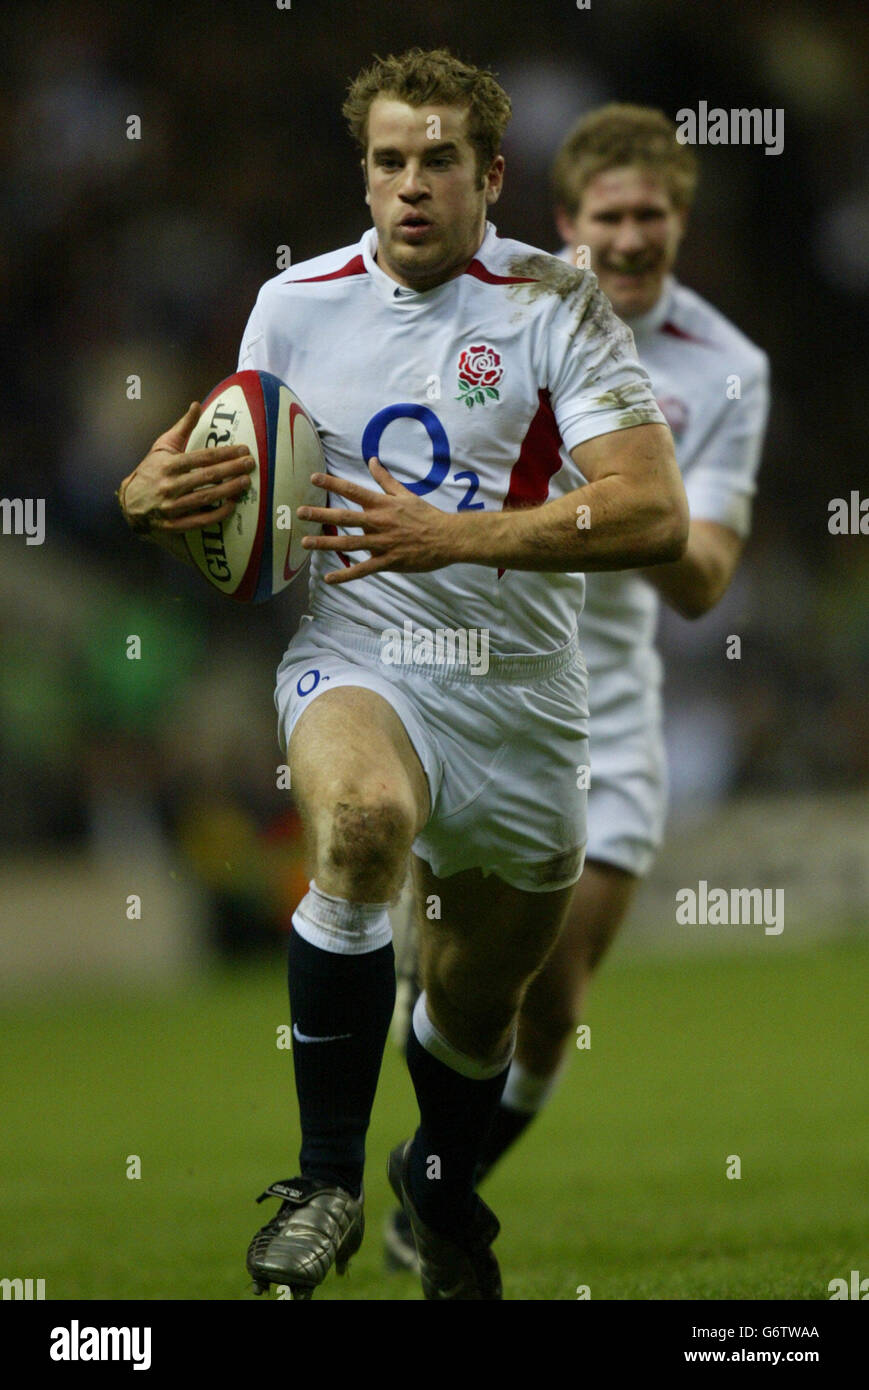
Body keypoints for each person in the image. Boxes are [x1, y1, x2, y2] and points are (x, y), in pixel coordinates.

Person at [115, 55, 688, 1301]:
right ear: (363, 176)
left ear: (489, 176)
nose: (410, 186)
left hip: (524, 699)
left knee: (476, 1008)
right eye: (388, 163)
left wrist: (456, 533)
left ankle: (431, 1185)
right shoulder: (293, 306)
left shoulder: (552, 302)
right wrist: (143, 498)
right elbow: (223, 491)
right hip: (358, 659)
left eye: (437, 162)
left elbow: (650, 512)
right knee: (360, 825)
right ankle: (321, 1183)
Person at [384, 102, 769, 1271]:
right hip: (463, 671)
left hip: (606, 700)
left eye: (651, 213)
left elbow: (700, 578)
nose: (632, 234)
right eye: (608, 216)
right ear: (567, 221)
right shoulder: (507, 308)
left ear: (679, 222)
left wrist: (618, 507)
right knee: (446, 971)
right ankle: (424, 1186)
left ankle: (433, 1193)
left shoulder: (728, 369)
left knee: (551, 996)